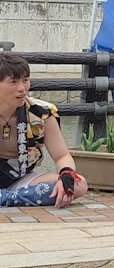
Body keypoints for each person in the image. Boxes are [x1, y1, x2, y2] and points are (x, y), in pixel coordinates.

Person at [0, 54, 88, 208]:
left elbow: (62, 155)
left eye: (25, 80)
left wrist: (66, 175)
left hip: (20, 179)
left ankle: (6, 198)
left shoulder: (41, 113)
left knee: (78, 184)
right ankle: (17, 198)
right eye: (13, 82)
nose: (22, 88)